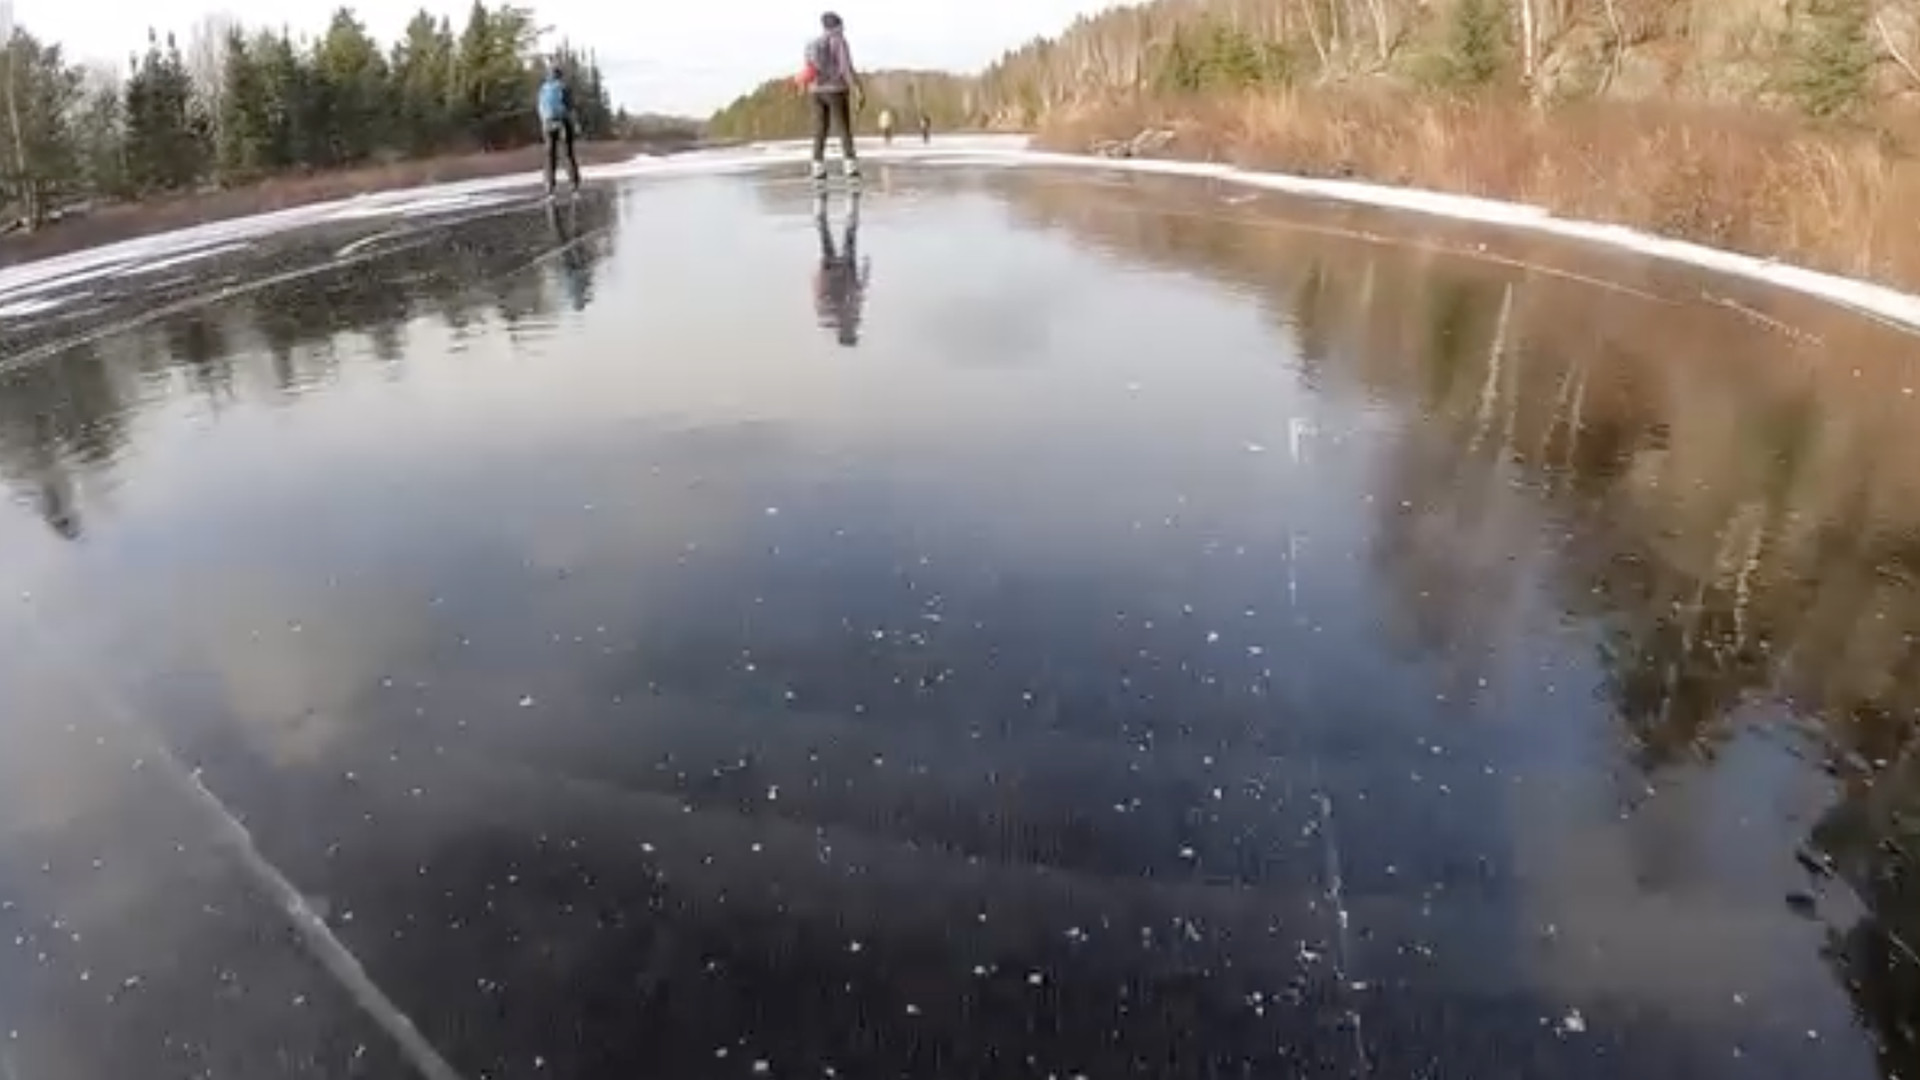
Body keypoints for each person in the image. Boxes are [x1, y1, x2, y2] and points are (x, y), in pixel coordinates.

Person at [803, 12, 862, 181]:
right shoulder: (839, 41)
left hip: (815, 92)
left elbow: (809, 69)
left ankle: (817, 167)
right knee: (843, 127)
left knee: (820, 129)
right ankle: (850, 166)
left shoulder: (814, 44)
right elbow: (845, 67)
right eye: (841, 25)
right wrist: (857, 87)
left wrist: (809, 86)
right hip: (835, 90)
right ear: (837, 25)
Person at [538, 63, 581, 198]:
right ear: (560, 75)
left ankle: (550, 190)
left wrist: (544, 124)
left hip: (548, 124)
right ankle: (574, 188)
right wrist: (576, 124)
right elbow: (571, 108)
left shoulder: (543, 89)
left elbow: (539, 108)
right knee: (568, 154)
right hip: (563, 123)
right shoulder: (564, 87)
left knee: (550, 156)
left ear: (549, 75)